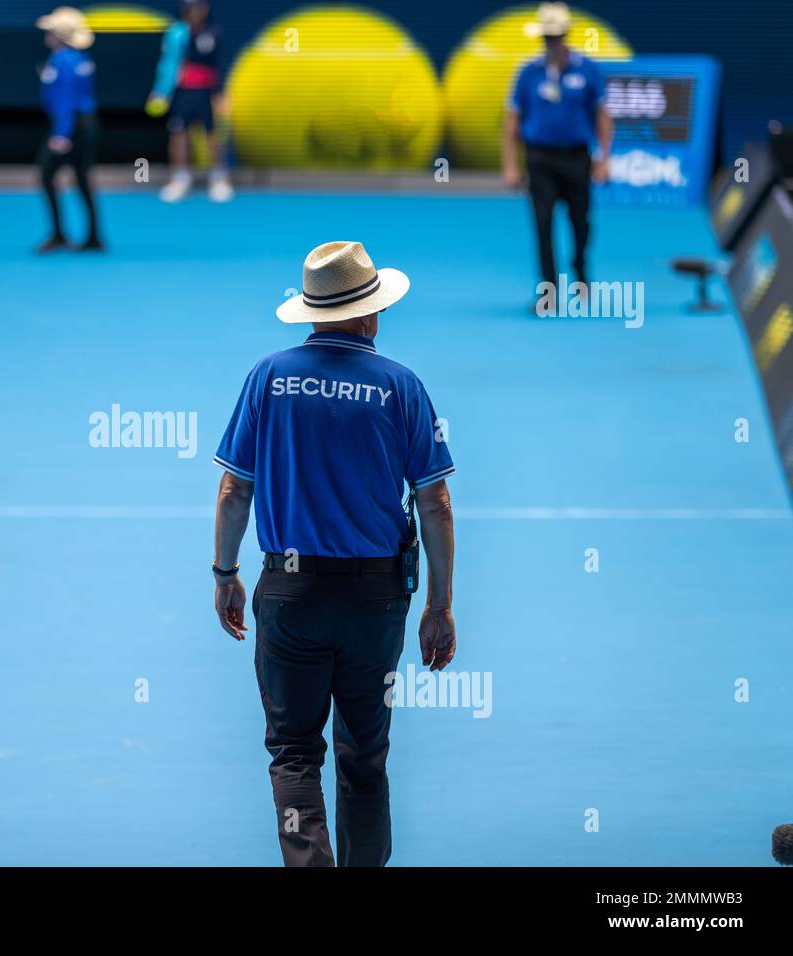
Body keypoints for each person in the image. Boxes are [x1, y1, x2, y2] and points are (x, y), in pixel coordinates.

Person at [211, 241, 457, 867]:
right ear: (371, 313)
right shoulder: (401, 386)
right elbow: (436, 505)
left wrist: (225, 573)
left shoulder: (268, 377)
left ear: (310, 311)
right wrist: (439, 606)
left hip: (289, 597)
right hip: (375, 602)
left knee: (293, 753)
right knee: (365, 757)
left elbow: (235, 487)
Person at [501, 2, 612, 296]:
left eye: (555, 35)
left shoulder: (588, 70)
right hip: (540, 159)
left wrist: (603, 159)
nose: (551, 41)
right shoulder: (528, 72)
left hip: (577, 158)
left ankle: (580, 268)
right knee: (542, 224)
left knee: (581, 222)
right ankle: (548, 288)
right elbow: (512, 119)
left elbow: (602, 116)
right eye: (546, 37)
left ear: (565, 34)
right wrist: (511, 165)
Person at [147, 0, 233, 203]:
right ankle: (180, 178)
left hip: (207, 93)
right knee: (178, 134)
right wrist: (161, 92)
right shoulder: (176, 33)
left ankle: (219, 178)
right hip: (183, 93)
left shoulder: (214, 33)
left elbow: (220, 65)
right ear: (185, 10)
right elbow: (168, 63)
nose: (197, 11)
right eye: (193, 7)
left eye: (201, 7)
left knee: (213, 135)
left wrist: (220, 94)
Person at [34, 7, 104, 253]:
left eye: (51, 31)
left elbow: (65, 100)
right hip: (86, 125)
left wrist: (61, 134)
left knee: (46, 176)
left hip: (71, 127)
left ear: (61, 34)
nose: (47, 35)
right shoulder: (81, 58)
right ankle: (94, 236)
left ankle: (59, 234)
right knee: (83, 179)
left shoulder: (62, 60)